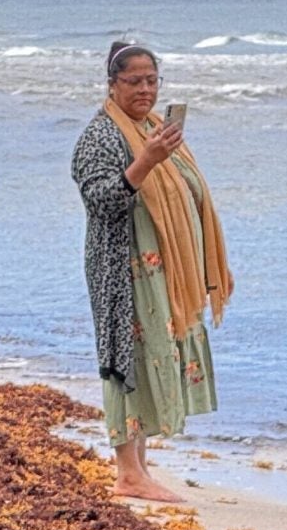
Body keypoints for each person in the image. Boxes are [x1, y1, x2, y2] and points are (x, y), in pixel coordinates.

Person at [72, 40, 235, 502]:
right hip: (122, 268)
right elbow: (101, 201)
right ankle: (127, 473)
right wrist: (146, 161)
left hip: (159, 267)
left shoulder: (154, 127)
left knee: (154, 352)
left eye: (151, 80)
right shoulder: (100, 137)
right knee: (126, 358)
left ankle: (139, 467)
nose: (144, 89)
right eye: (134, 81)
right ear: (112, 84)